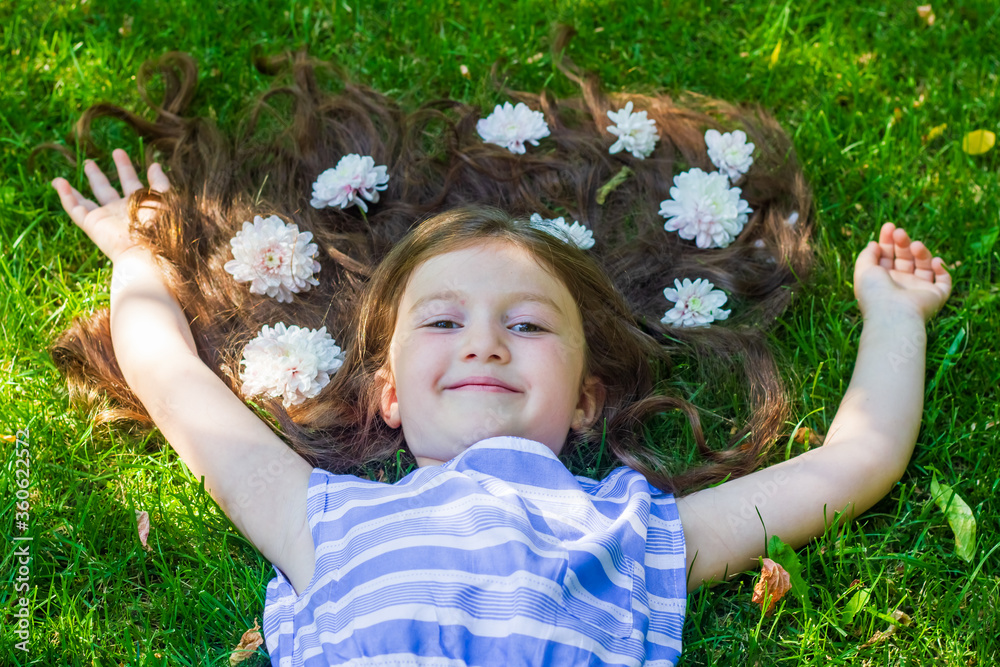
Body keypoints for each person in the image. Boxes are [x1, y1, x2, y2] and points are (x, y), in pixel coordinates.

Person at [47, 46, 951, 666]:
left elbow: (853, 462)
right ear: (389, 391)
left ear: (588, 398)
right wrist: (139, 259)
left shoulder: (631, 537)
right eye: (442, 322)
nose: (483, 338)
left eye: (526, 325)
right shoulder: (326, 522)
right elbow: (177, 388)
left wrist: (895, 312)